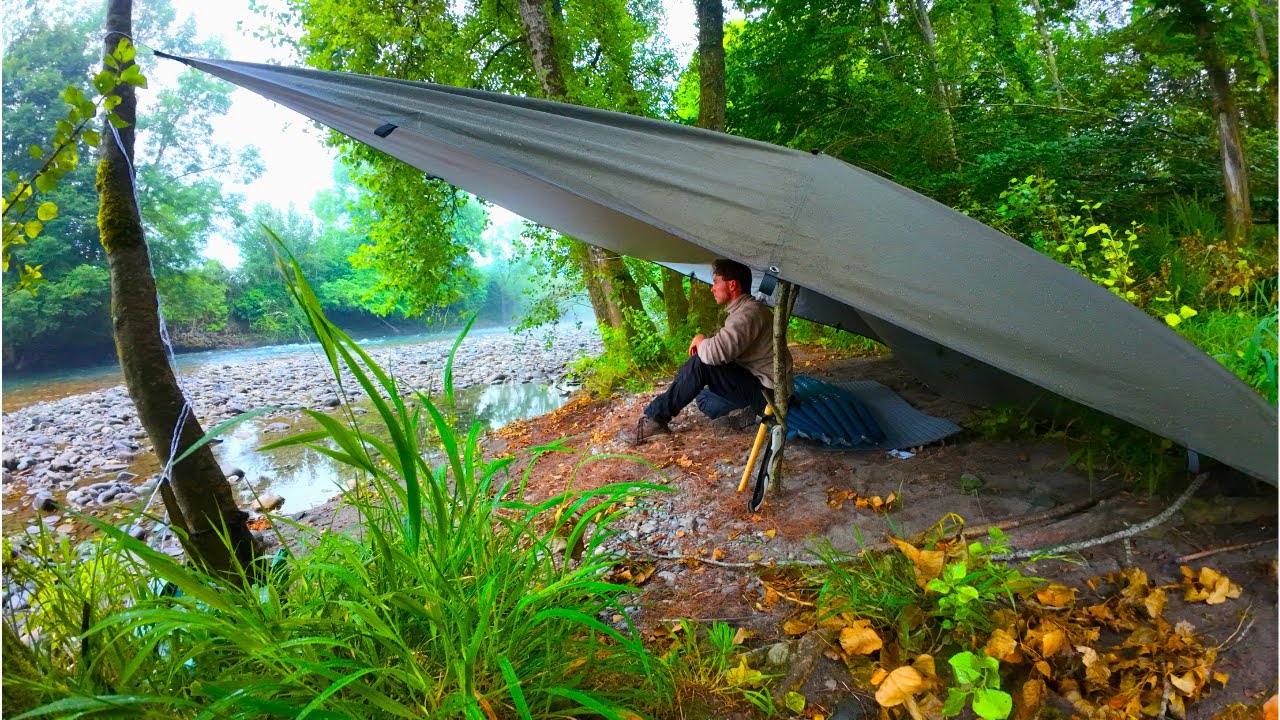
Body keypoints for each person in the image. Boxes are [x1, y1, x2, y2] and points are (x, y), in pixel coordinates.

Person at [621, 258, 793, 445]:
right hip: (760, 386)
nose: (712, 288)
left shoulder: (748, 314)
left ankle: (655, 419)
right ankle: (741, 414)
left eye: (716, 282)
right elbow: (727, 346)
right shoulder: (747, 310)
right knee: (702, 397)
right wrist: (705, 341)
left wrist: (701, 340)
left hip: (770, 395)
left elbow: (714, 354)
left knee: (701, 364)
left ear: (733, 285)